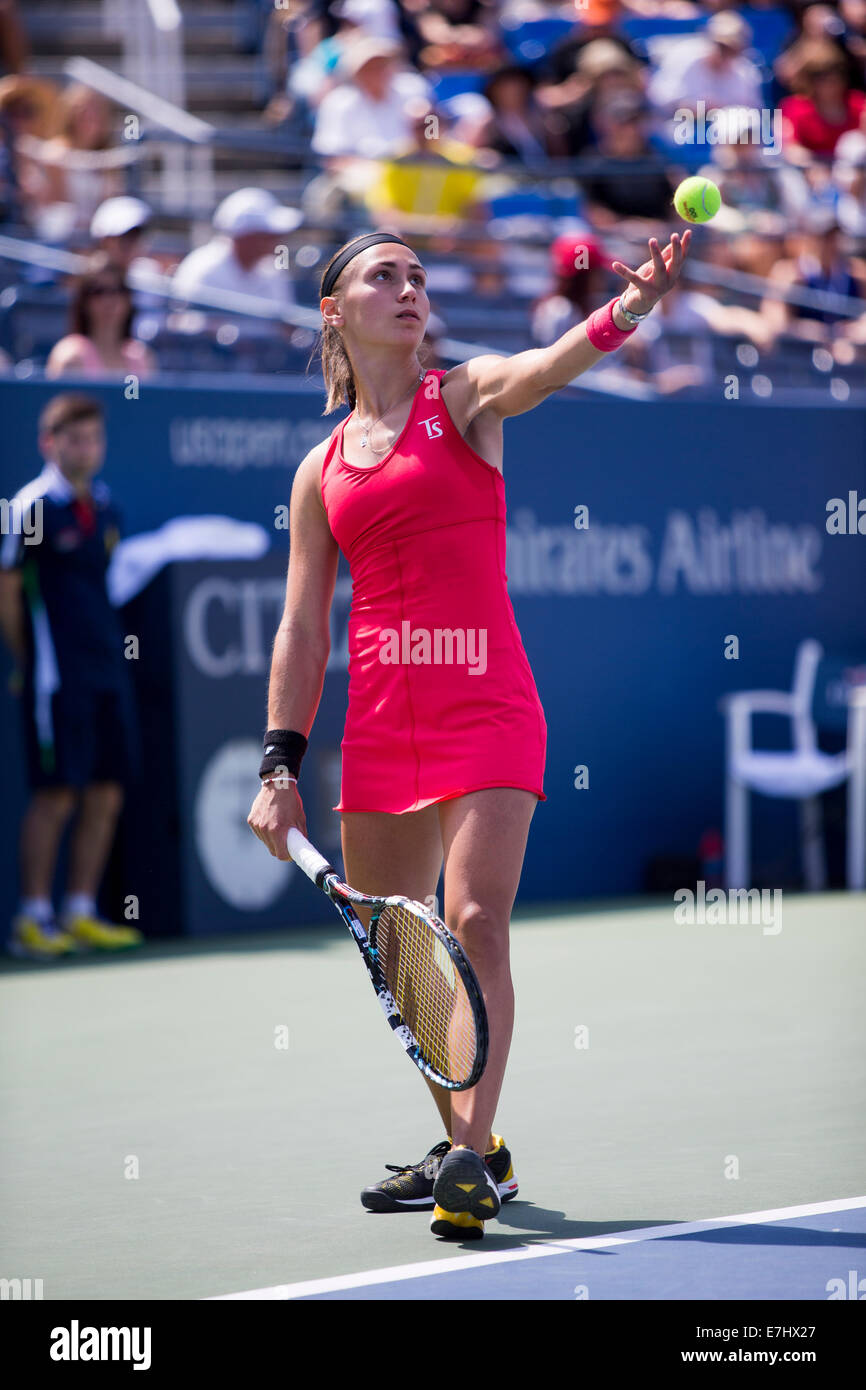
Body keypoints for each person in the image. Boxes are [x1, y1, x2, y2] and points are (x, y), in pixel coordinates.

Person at [247, 223, 691, 1240]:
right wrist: (280, 760)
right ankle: (473, 1146)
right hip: (382, 729)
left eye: (416, 275)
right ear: (335, 311)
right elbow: (302, 625)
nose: (408, 289)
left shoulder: (465, 399)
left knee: (475, 923)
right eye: (382, 276)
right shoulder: (318, 472)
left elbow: (545, 366)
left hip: (486, 704)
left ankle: (459, 1163)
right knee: (405, 957)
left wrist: (625, 309)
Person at [0, 394, 143, 959]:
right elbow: (7, 590)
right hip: (52, 680)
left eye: (93, 439)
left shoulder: (106, 508)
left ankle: (80, 910)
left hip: (107, 672)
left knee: (106, 793)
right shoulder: (29, 509)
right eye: (74, 439)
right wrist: (27, 659)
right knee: (56, 794)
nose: (86, 449)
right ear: (48, 444)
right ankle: (32, 917)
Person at [170, 187, 302, 320]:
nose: (277, 241)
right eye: (267, 235)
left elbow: (286, 326)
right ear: (245, 237)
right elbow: (189, 326)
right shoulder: (203, 269)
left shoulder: (273, 271)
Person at [45, 260, 156, 380]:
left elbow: (136, 399)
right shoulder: (70, 356)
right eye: (98, 291)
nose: (109, 301)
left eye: (118, 290)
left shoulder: (141, 357)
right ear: (84, 301)